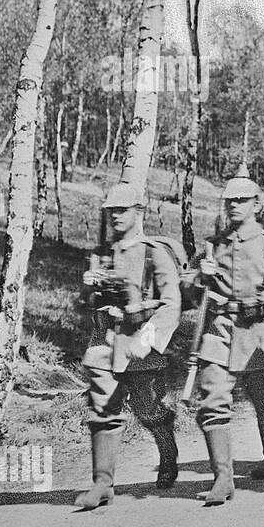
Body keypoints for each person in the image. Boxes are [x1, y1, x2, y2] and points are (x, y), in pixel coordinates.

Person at [182, 174, 264, 506]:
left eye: (241, 200)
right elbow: (189, 294)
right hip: (220, 329)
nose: (234, 205)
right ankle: (223, 478)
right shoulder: (214, 244)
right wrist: (198, 277)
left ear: (257, 205)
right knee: (212, 398)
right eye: (229, 200)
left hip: (258, 332)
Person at [74, 181, 182, 509]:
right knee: (103, 409)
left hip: (141, 343)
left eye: (122, 210)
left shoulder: (154, 253)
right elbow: (84, 303)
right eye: (111, 211)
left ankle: (168, 454)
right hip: (106, 341)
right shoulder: (101, 254)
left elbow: (171, 304)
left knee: (148, 409)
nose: (116, 216)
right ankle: (102, 484)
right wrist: (89, 291)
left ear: (139, 212)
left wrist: (145, 340)